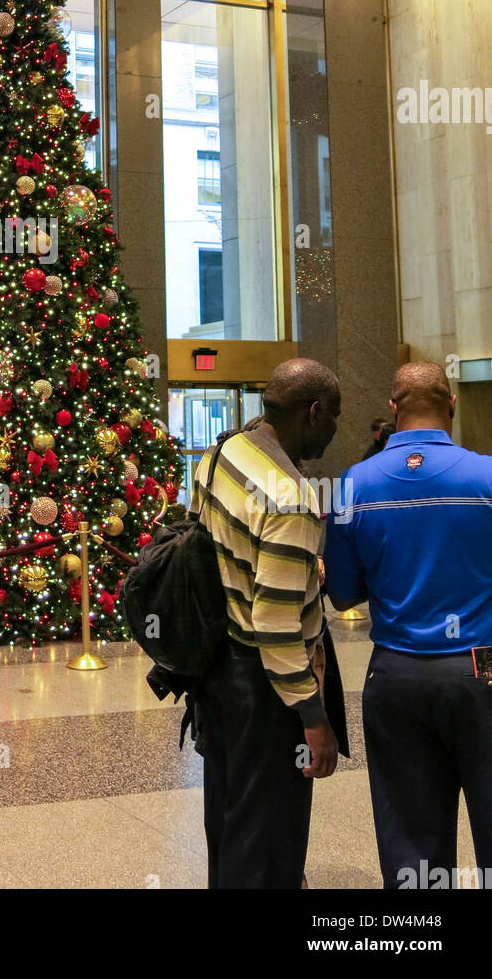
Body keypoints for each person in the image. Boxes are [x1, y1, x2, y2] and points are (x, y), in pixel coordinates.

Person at [325, 361, 492, 890]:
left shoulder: (353, 484)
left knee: (412, 848)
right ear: (453, 404)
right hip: (482, 669)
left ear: (393, 410)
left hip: (395, 677)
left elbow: (344, 592)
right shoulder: (487, 476)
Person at [191, 358, 348, 889]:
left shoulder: (222, 451)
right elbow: (276, 627)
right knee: (269, 844)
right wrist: (313, 717)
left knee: (231, 826)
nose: (334, 431)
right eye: (334, 418)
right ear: (313, 412)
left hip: (218, 677)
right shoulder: (291, 498)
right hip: (267, 695)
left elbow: (207, 549)